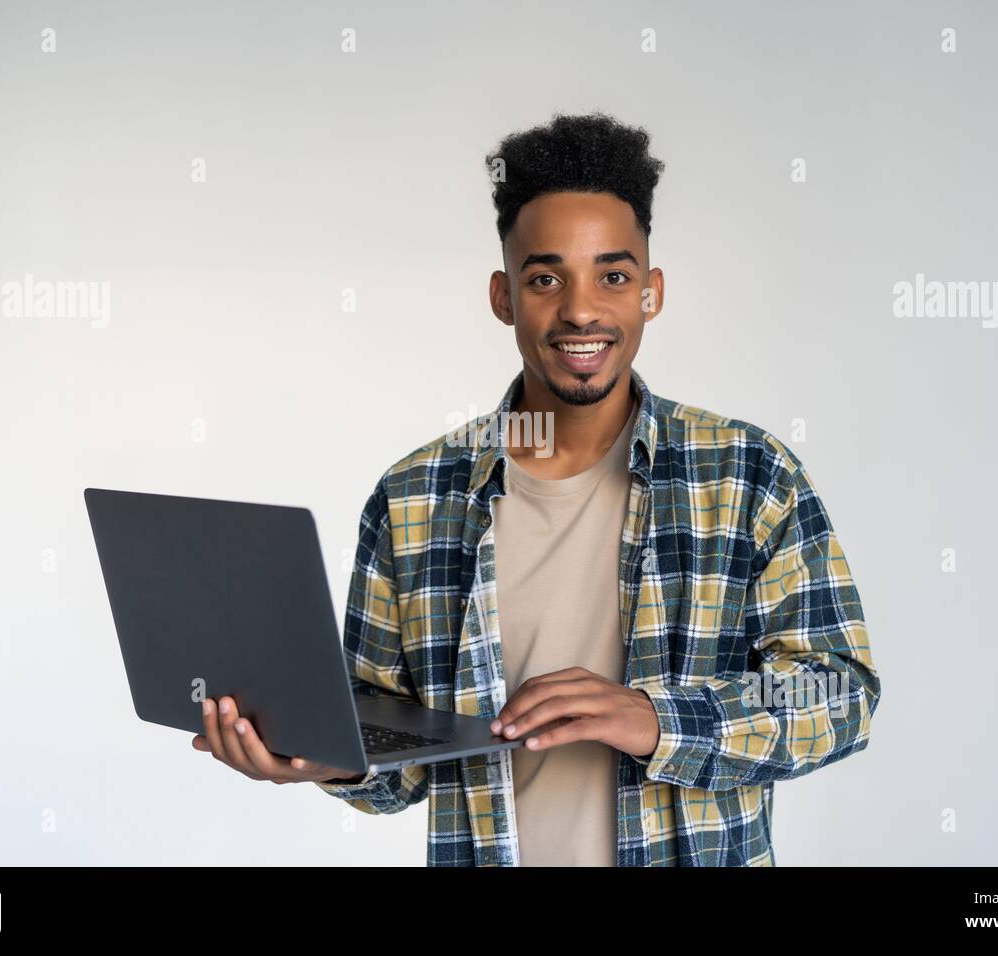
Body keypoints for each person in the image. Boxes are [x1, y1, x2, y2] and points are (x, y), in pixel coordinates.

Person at [192, 111, 881, 866]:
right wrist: (318, 756)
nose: (581, 310)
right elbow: (392, 752)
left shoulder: (750, 476)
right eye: (546, 278)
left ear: (650, 292)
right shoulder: (415, 497)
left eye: (613, 277)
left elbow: (836, 698)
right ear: (503, 296)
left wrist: (655, 718)